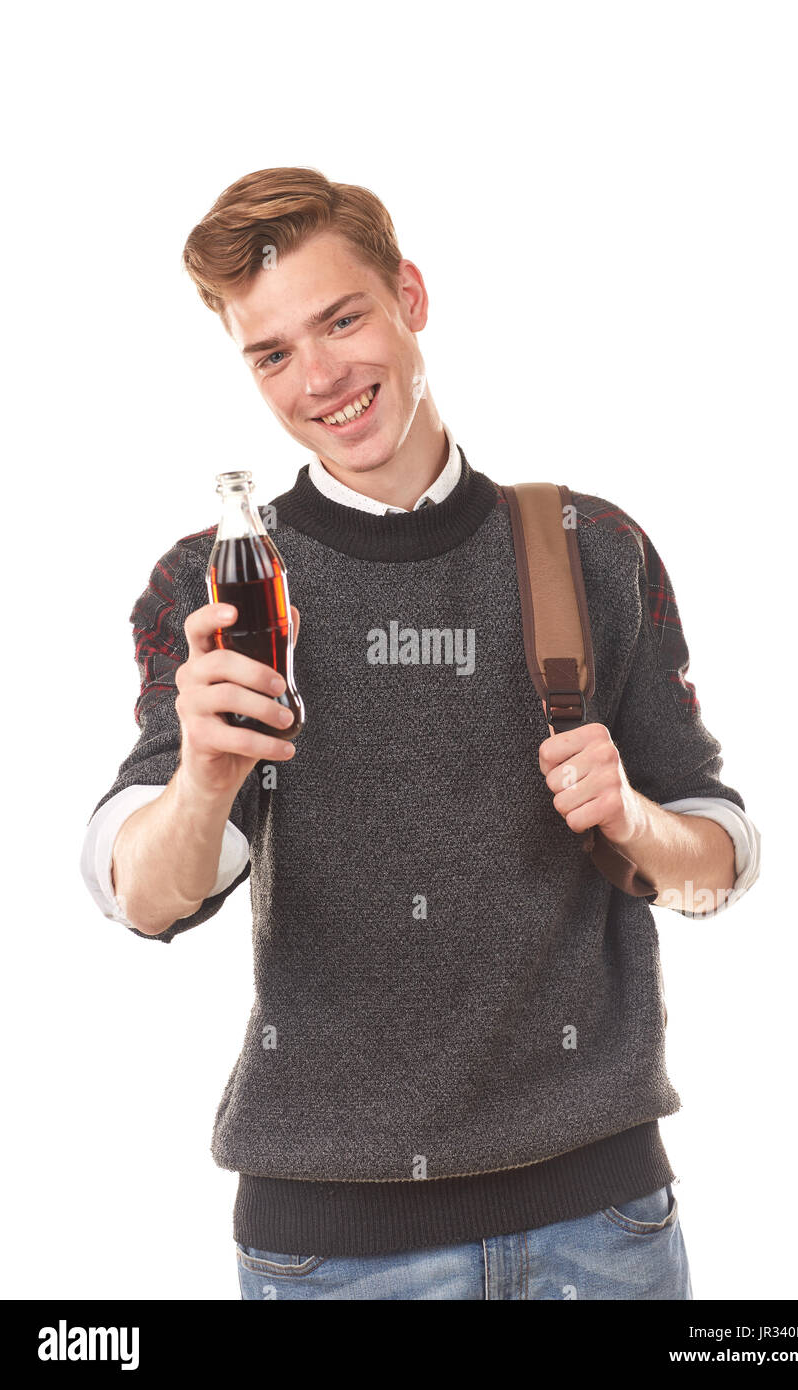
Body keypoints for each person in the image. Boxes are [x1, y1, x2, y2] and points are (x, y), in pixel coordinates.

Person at [81, 166, 760, 1301]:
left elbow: (719, 856)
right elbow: (145, 893)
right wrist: (202, 781)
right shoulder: (215, 583)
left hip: (602, 1225)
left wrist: (635, 817)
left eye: (343, 319)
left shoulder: (589, 547)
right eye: (273, 353)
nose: (322, 379)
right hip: (333, 1252)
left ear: (410, 295)